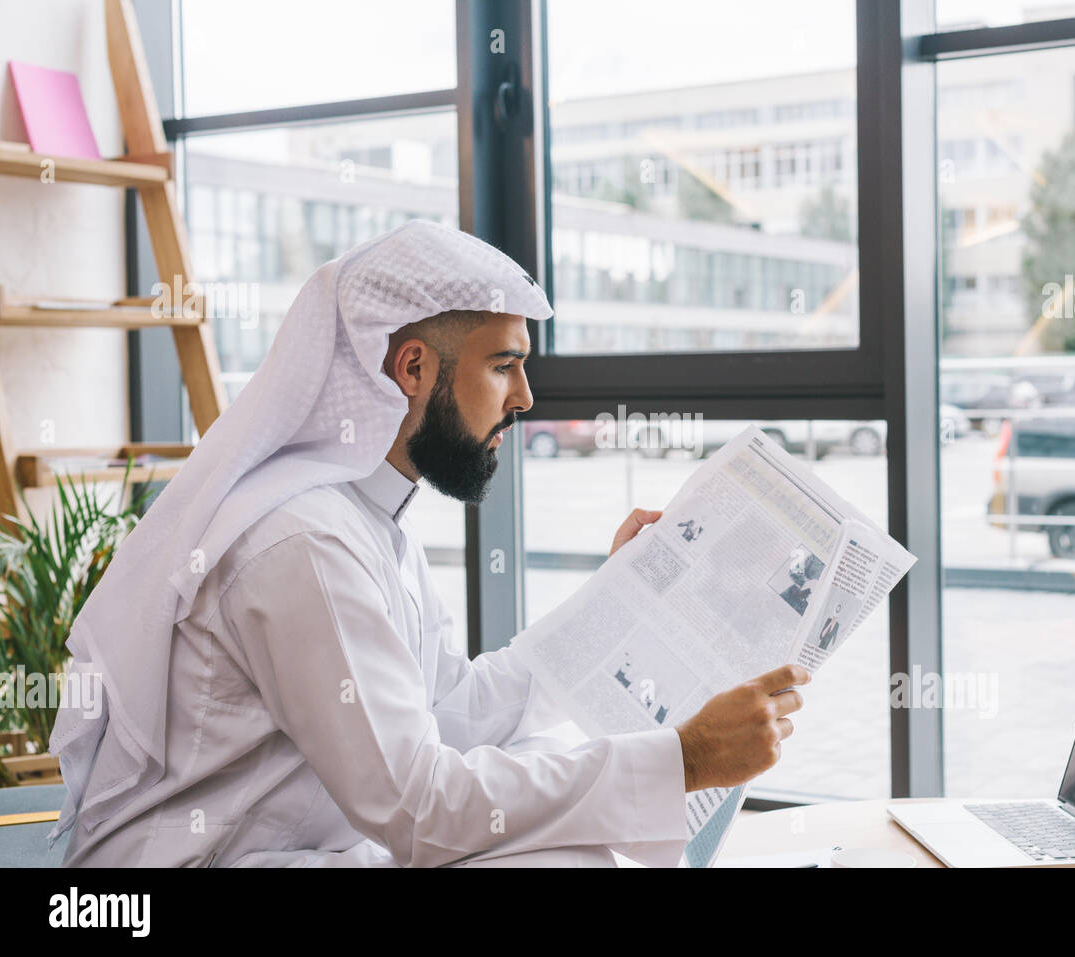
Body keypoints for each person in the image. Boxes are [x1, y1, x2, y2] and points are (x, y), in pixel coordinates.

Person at [47, 220, 808, 867]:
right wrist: (685, 759)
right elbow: (419, 806)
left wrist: (619, 599)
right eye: (503, 364)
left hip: (307, 849)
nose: (525, 397)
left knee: (550, 795)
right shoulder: (303, 543)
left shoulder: (369, 519)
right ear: (413, 368)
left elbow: (449, 708)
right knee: (565, 850)